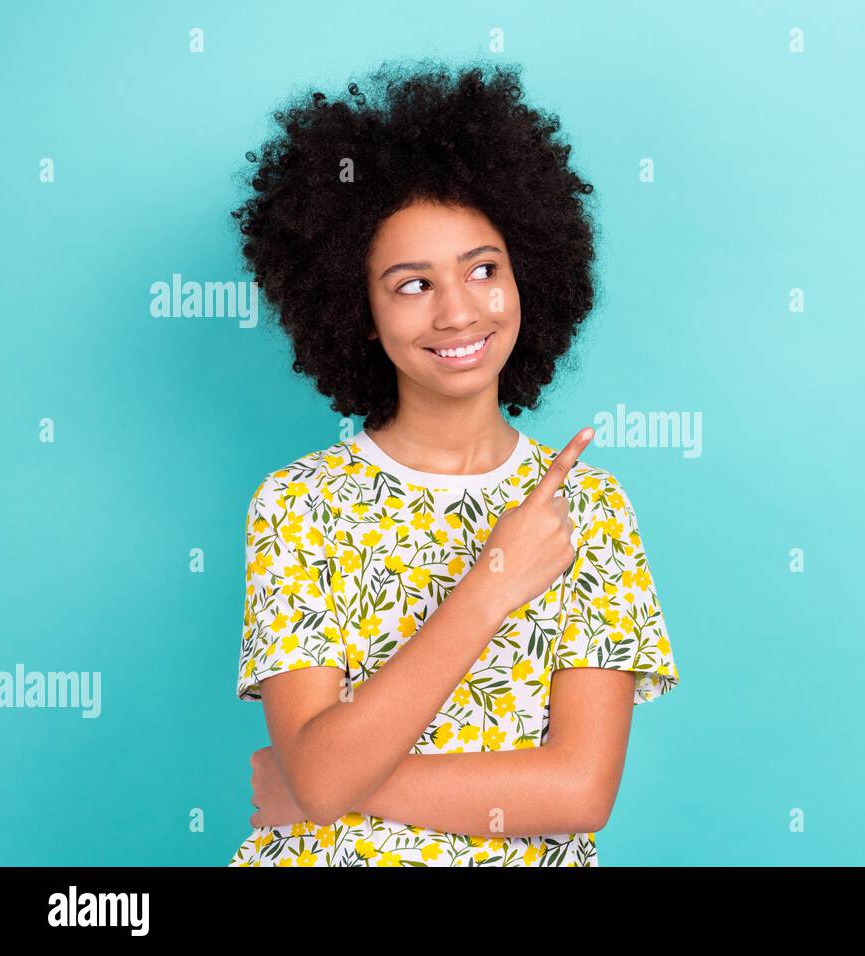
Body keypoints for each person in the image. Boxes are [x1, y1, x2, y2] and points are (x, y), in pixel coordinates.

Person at [226, 60, 680, 867]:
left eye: (482, 269)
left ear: (526, 274)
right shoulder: (300, 503)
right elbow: (321, 772)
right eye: (410, 285)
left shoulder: (589, 510)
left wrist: (325, 783)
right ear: (356, 312)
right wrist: (494, 583)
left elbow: (578, 794)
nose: (458, 310)